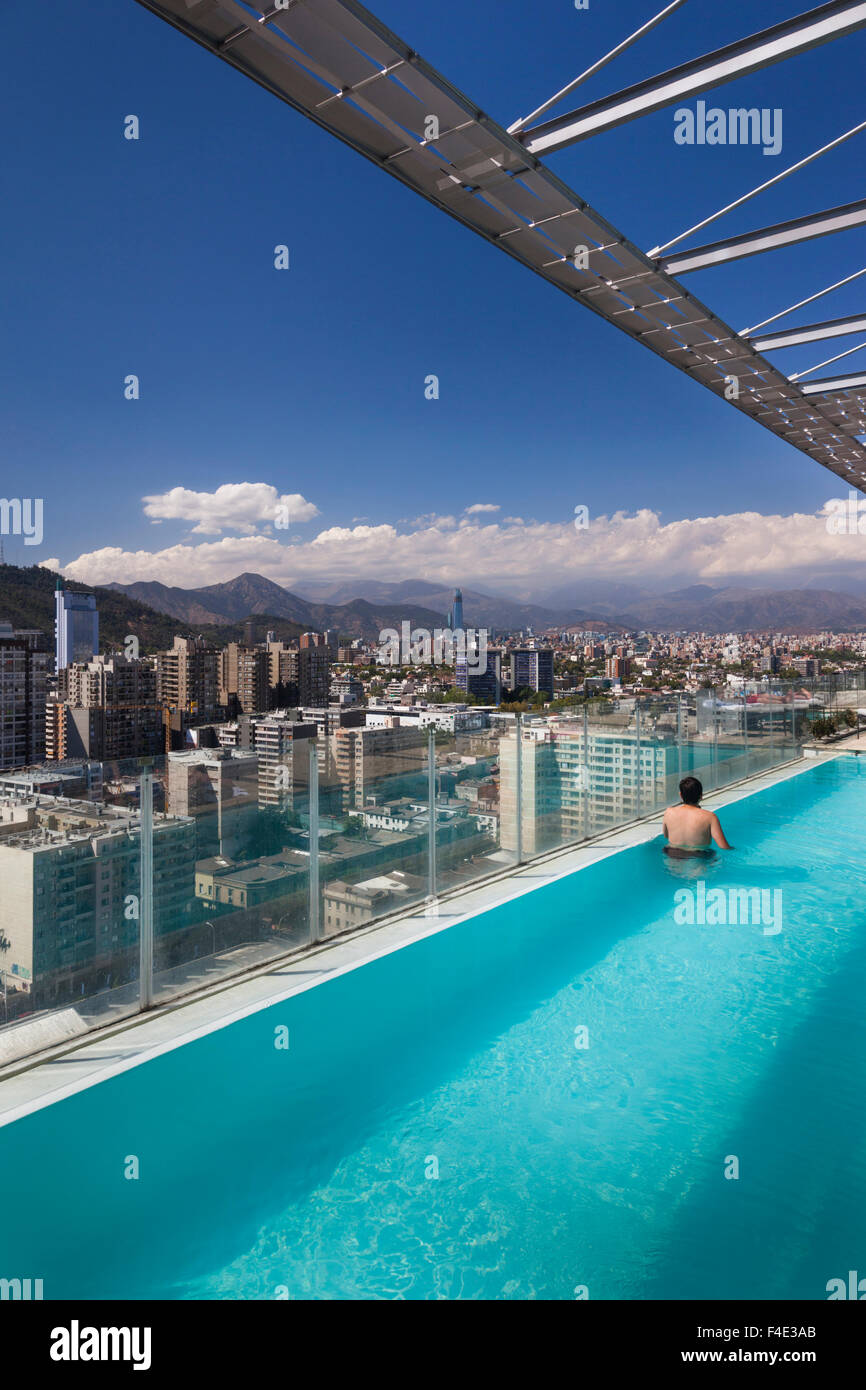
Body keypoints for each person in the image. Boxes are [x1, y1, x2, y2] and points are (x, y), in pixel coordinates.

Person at [662, 775, 732, 858]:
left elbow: (666, 836)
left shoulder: (668, 812)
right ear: (701, 796)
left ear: (680, 795)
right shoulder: (710, 817)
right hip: (698, 855)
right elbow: (723, 846)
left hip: (672, 853)